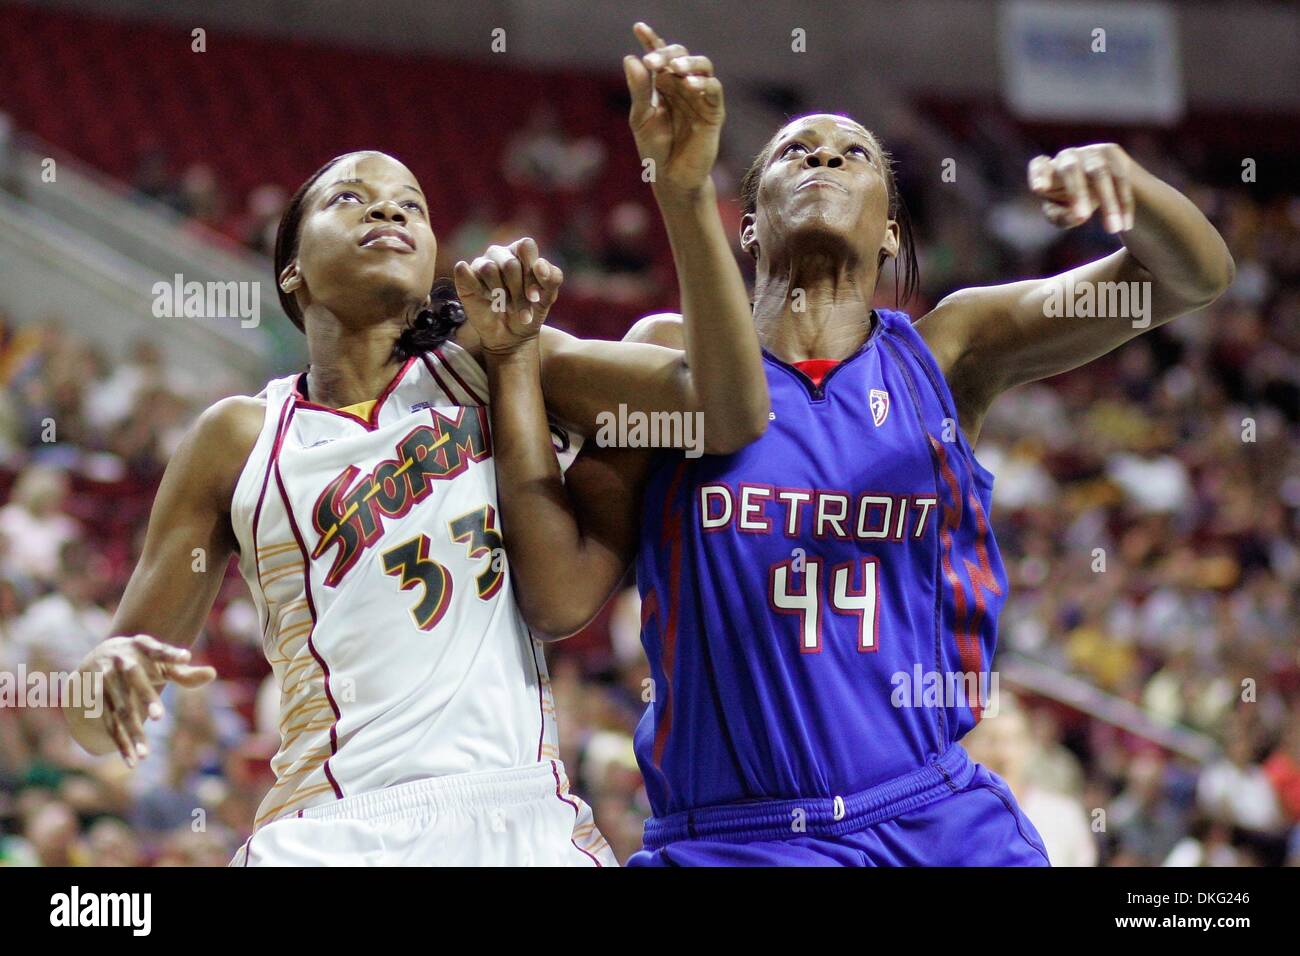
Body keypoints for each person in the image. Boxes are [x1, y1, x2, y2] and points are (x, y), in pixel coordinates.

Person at [61, 23, 766, 866]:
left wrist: (686, 196)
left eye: (411, 204)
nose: (388, 208)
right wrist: (100, 676)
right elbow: (99, 721)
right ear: (292, 270)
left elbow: (726, 410)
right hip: (328, 829)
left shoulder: (496, 362)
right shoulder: (236, 438)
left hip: (513, 811)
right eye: (350, 198)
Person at [475, 86, 1235, 862]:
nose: (825, 156)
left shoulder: (945, 354)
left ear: (890, 234)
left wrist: (1131, 187)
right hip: (745, 838)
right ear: (747, 225)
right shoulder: (668, 360)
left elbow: (1189, 277)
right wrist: (506, 361)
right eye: (795, 151)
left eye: (854, 153)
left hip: (931, 816)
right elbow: (562, 594)